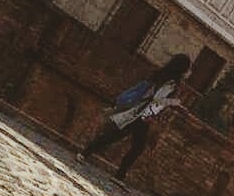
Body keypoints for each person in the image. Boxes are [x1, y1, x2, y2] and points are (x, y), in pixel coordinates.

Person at [80, 53, 192, 182]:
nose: (189, 72)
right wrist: (174, 102)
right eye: (189, 68)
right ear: (182, 68)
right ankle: (116, 175)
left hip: (139, 114)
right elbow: (157, 98)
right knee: (133, 146)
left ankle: (87, 155)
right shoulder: (172, 82)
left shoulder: (161, 75)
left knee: (116, 138)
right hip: (141, 116)